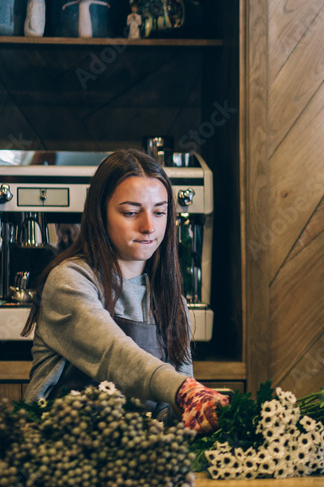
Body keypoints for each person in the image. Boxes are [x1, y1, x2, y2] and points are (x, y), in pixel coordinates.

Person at [22, 149, 227, 433]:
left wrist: (193, 414)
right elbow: (115, 355)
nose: (149, 226)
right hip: (60, 453)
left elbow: (172, 409)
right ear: (99, 213)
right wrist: (184, 389)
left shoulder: (170, 298)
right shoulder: (69, 281)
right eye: (131, 212)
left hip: (136, 457)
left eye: (159, 212)